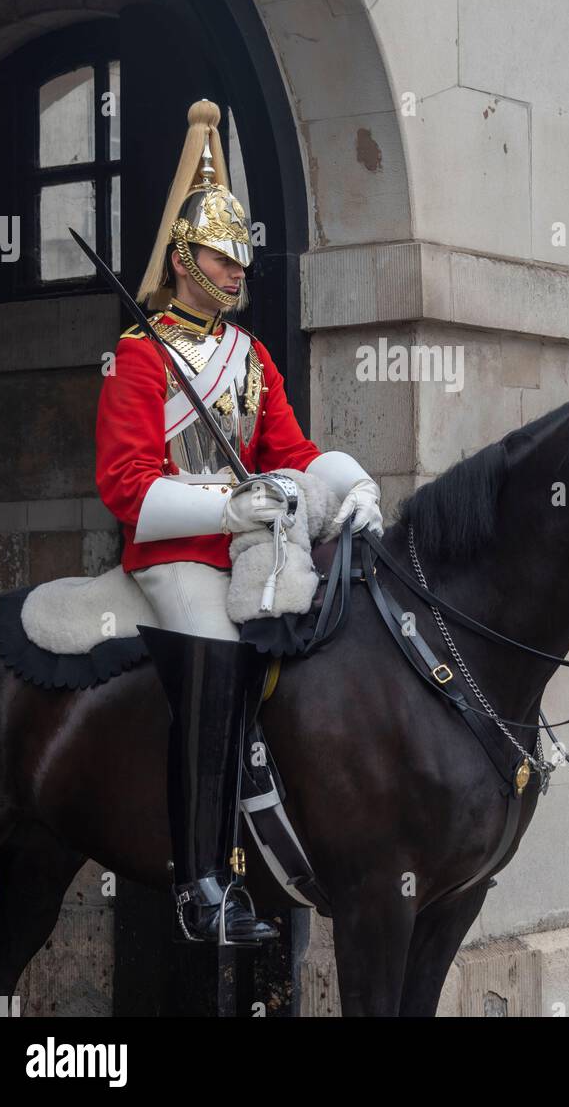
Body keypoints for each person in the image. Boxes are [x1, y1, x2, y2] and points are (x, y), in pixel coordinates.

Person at [95, 99, 382, 943]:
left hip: (248, 545)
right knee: (216, 656)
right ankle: (201, 884)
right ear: (184, 261)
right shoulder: (139, 354)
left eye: (240, 256)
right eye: (223, 256)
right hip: (174, 552)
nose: (237, 269)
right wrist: (230, 503)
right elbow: (126, 487)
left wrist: (347, 485)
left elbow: (289, 448)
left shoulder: (250, 356)